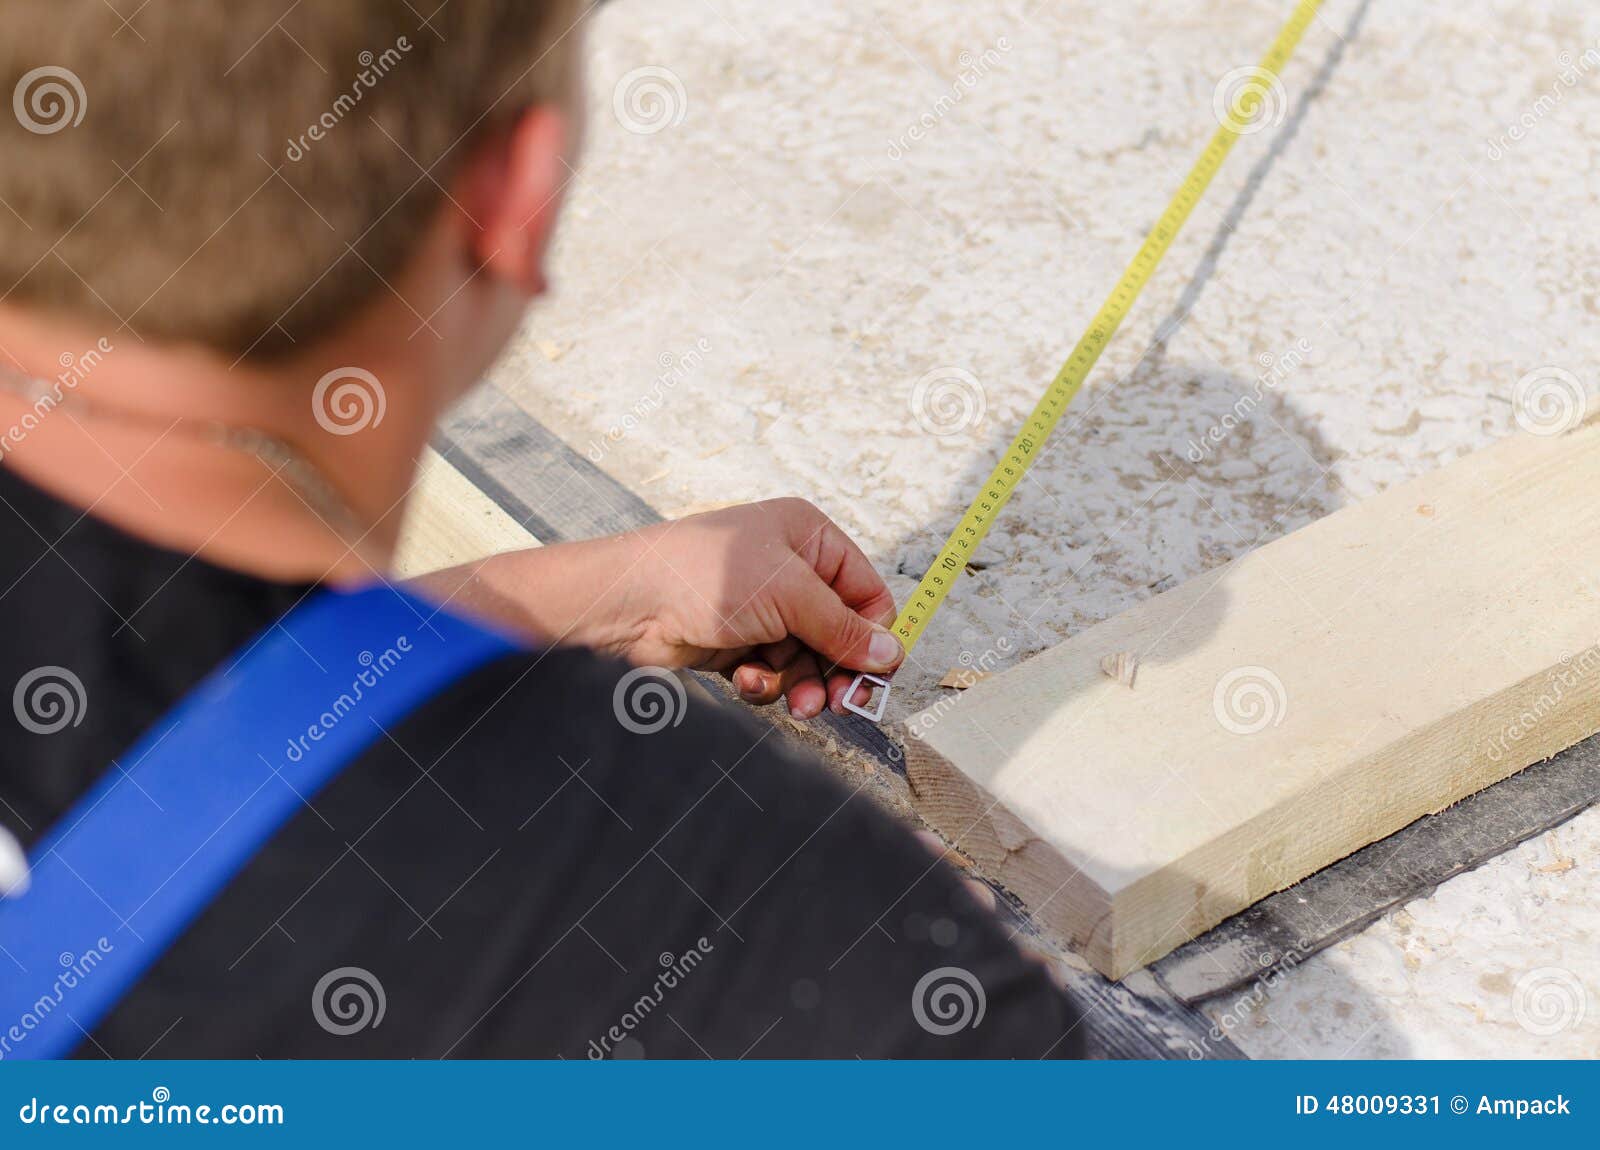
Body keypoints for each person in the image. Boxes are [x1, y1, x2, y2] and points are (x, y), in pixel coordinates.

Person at [0, 0, 1084, 1058]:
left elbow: (166, 710)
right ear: (512, 196)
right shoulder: (785, 939)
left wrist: (601, 593)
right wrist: (946, 1001)